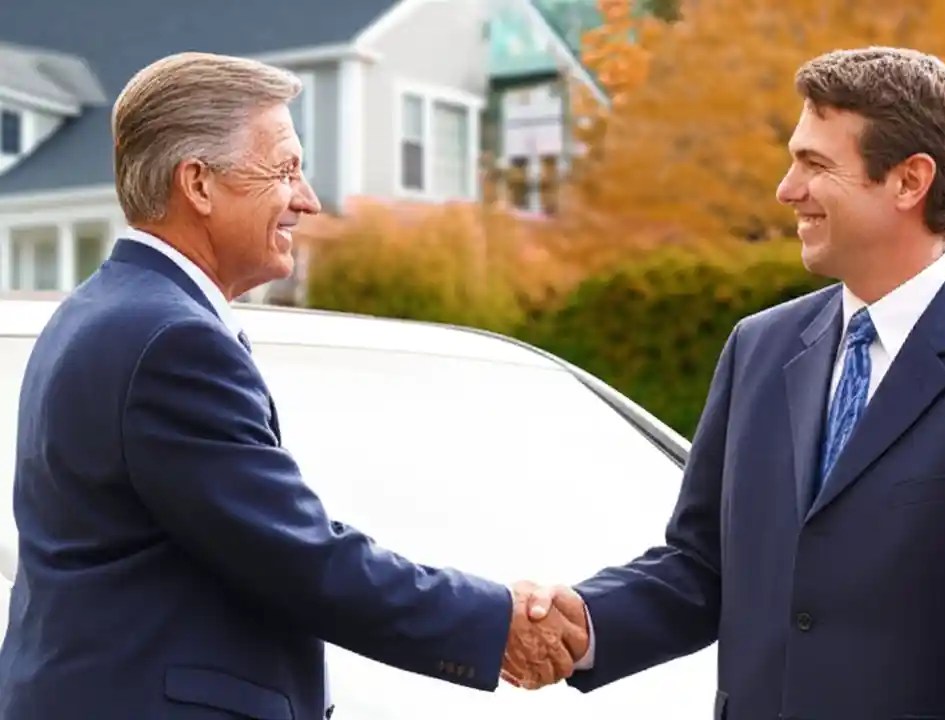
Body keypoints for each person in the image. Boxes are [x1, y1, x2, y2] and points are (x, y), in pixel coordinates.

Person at [516, 47, 945, 719]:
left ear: (910, 181)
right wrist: (580, 622)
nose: (786, 188)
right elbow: (701, 567)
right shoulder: (757, 348)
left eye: (815, 164)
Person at [0, 52, 585, 719]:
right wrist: (495, 622)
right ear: (198, 184)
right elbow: (298, 556)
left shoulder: (104, 314)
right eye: (284, 170)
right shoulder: (170, 341)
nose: (306, 199)